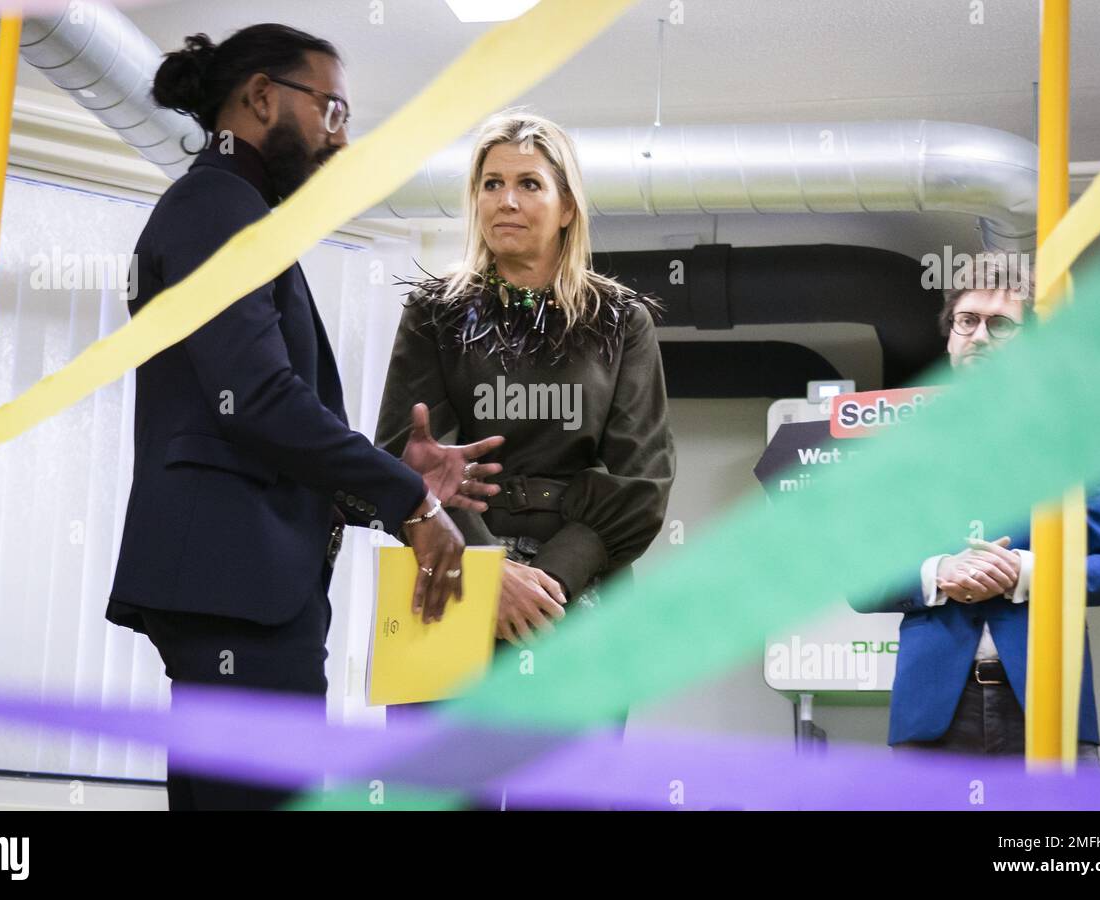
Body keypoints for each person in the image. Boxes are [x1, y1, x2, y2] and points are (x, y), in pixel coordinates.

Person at [106, 25, 504, 810]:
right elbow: (255, 399)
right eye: (332, 110)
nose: (342, 136)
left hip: (240, 585)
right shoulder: (217, 207)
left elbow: (255, 415)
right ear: (261, 98)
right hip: (235, 584)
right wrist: (409, 502)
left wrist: (390, 480)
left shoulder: (236, 212)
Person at [375, 111, 675, 678]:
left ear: (567, 209)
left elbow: (642, 480)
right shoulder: (432, 316)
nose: (506, 201)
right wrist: (488, 574)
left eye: (528, 184)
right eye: (492, 184)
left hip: (580, 591)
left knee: (576, 767)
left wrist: (547, 583)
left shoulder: (621, 322)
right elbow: (405, 460)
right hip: (451, 572)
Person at [866, 256, 1100, 762]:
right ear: (950, 337)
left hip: (1049, 707)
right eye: (967, 321)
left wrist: (1026, 570)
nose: (979, 335)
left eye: (1001, 324)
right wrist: (937, 572)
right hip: (931, 715)